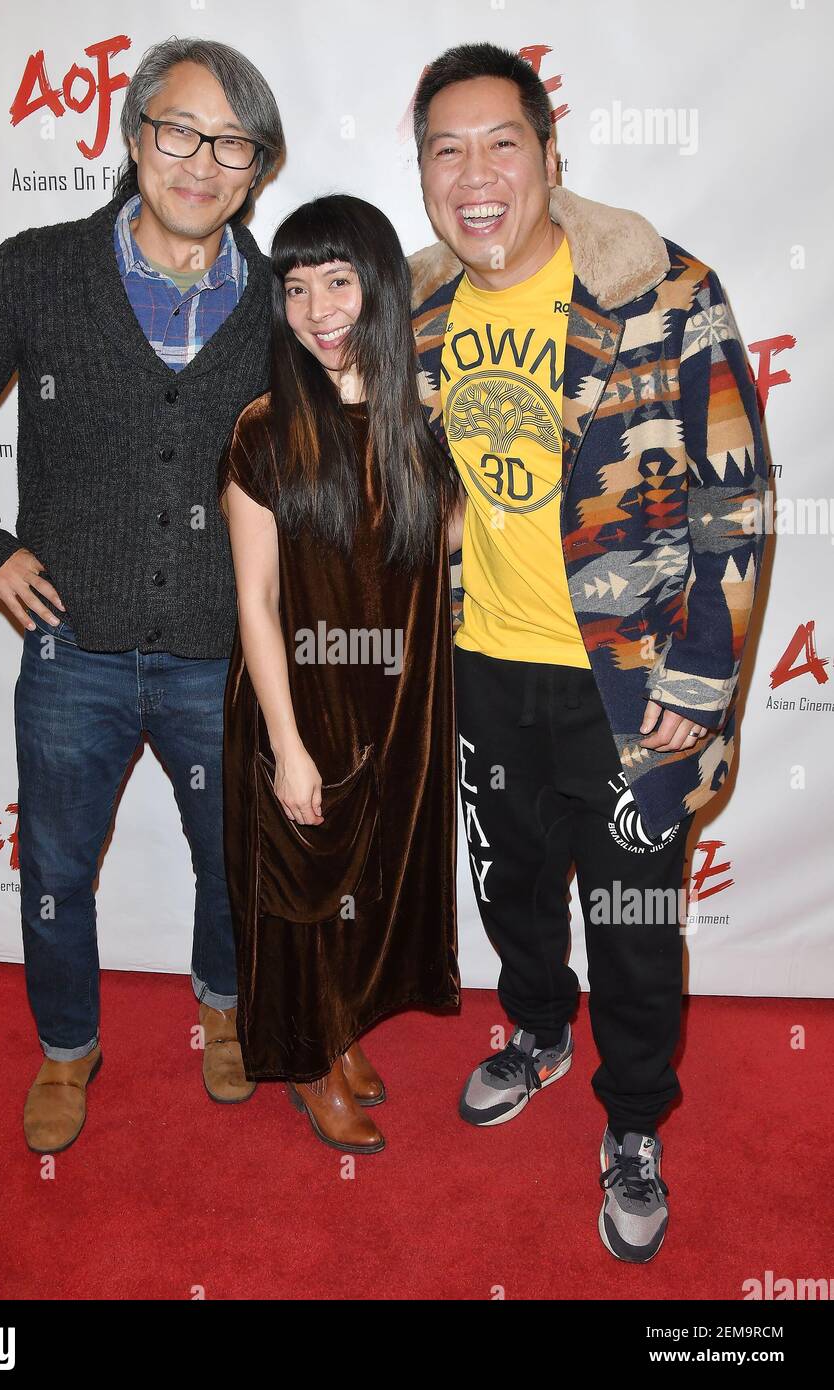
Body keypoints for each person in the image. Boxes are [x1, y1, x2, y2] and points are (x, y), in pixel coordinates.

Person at [407, 43, 768, 1259]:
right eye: (444, 150)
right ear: (422, 173)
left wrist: (700, 679)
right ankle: (535, 1029)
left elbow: (732, 492)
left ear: (550, 159)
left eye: (499, 143)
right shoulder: (415, 308)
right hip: (482, 667)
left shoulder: (662, 293)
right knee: (510, 888)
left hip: (629, 686)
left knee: (628, 911)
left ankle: (632, 1120)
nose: (475, 175)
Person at [0, 38, 285, 1153]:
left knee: (231, 858)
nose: (201, 161)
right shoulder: (39, 267)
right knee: (57, 868)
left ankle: (222, 1003)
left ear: (255, 169)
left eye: (232, 143)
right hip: (75, 652)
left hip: (221, 650)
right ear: (130, 134)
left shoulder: (279, 303)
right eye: (179, 130)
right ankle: (68, 1049)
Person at [218, 194, 464, 1154]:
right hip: (299, 704)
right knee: (305, 892)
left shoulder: (417, 428)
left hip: (396, 704)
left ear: (382, 291)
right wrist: (285, 746)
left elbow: (441, 550)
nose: (318, 309)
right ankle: (308, 1063)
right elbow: (255, 602)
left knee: (372, 878)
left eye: (340, 282)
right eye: (296, 287)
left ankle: (342, 1024)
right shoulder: (266, 430)